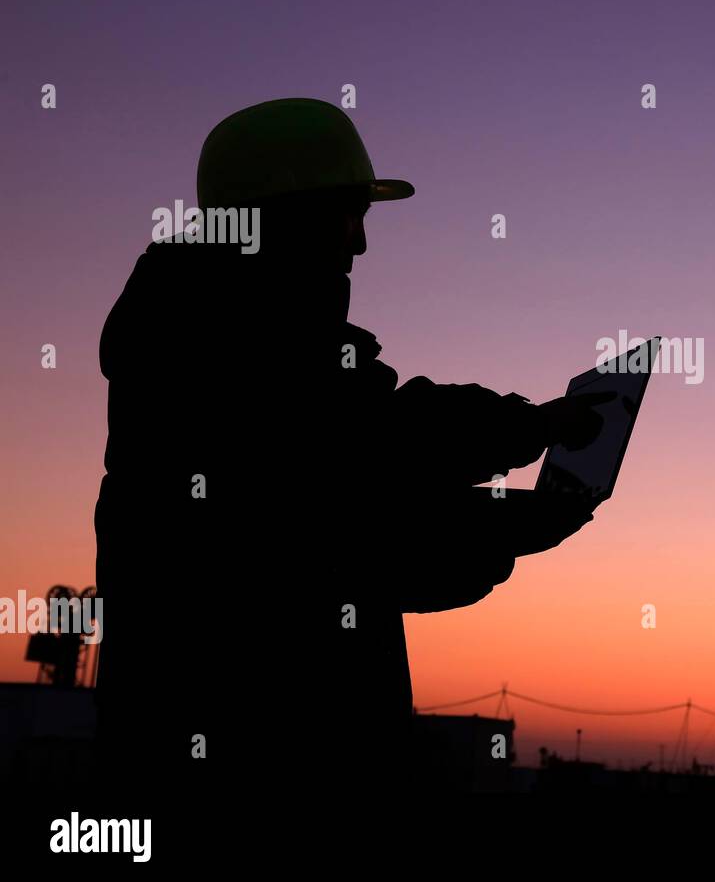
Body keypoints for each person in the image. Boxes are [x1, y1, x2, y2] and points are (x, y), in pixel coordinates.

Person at [93, 98, 606, 816]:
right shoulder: (228, 353)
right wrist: (518, 503)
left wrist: (532, 435)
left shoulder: (210, 333)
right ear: (284, 215)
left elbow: (361, 490)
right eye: (347, 214)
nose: (360, 245)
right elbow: (362, 497)